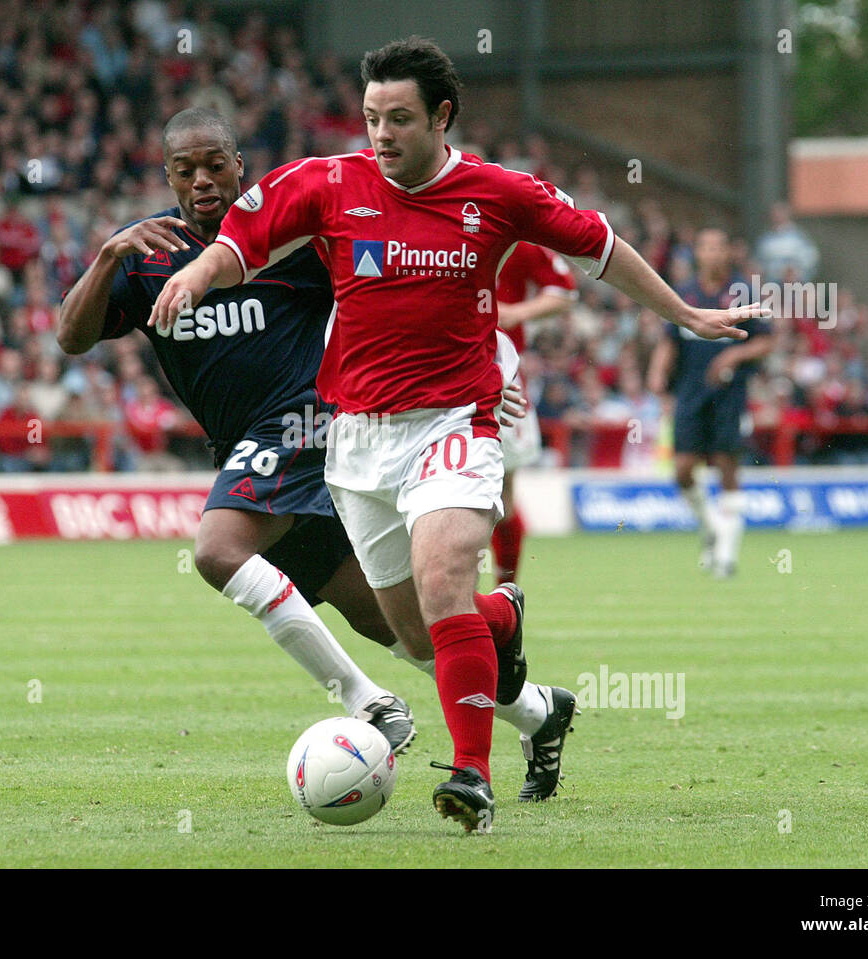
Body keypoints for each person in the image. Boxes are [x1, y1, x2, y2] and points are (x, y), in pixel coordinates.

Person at [150, 39, 768, 830]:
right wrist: (195, 274)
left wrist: (684, 313)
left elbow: (599, 248)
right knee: (416, 634)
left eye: (399, 118)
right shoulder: (326, 183)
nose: (381, 134)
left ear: (442, 117)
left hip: (456, 420)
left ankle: (471, 773)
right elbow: (241, 246)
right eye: (372, 117)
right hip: (357, 441)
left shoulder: (497, 194)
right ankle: (506, 628)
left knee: (442, 580)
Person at [59, 108, 563, 764]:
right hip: (249, 450)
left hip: (308, 425)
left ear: (240, 166)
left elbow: (406, 291)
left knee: (217, 550)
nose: (203, 180)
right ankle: (538, 708)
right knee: (400, 628)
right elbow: (71, 337)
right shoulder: (148, 257)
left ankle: (367, 701)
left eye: (216, 164)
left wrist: (490, 351)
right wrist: (107, 255)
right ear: (169, 177)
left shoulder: (285, 240)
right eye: (186, 171)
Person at [647, 228, 774, 577]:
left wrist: (734, 357)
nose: (712, 253)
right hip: (689, 393)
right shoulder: (684, 294)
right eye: (706, 247)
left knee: (726, 466)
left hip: (729, 395)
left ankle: (727, 557)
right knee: (683, 470)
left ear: (728, 253)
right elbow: (669, 338)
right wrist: (658, 371)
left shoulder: (742, 293)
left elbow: (766, 341)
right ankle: (712, 529)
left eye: (719, 247)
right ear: (697, 253)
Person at [492, 243, 577, 583]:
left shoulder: (514, 235)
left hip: (500, 374)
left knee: (500, 495)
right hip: (429, 373)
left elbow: (563, 292)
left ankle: (504, 593)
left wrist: (515, 313)